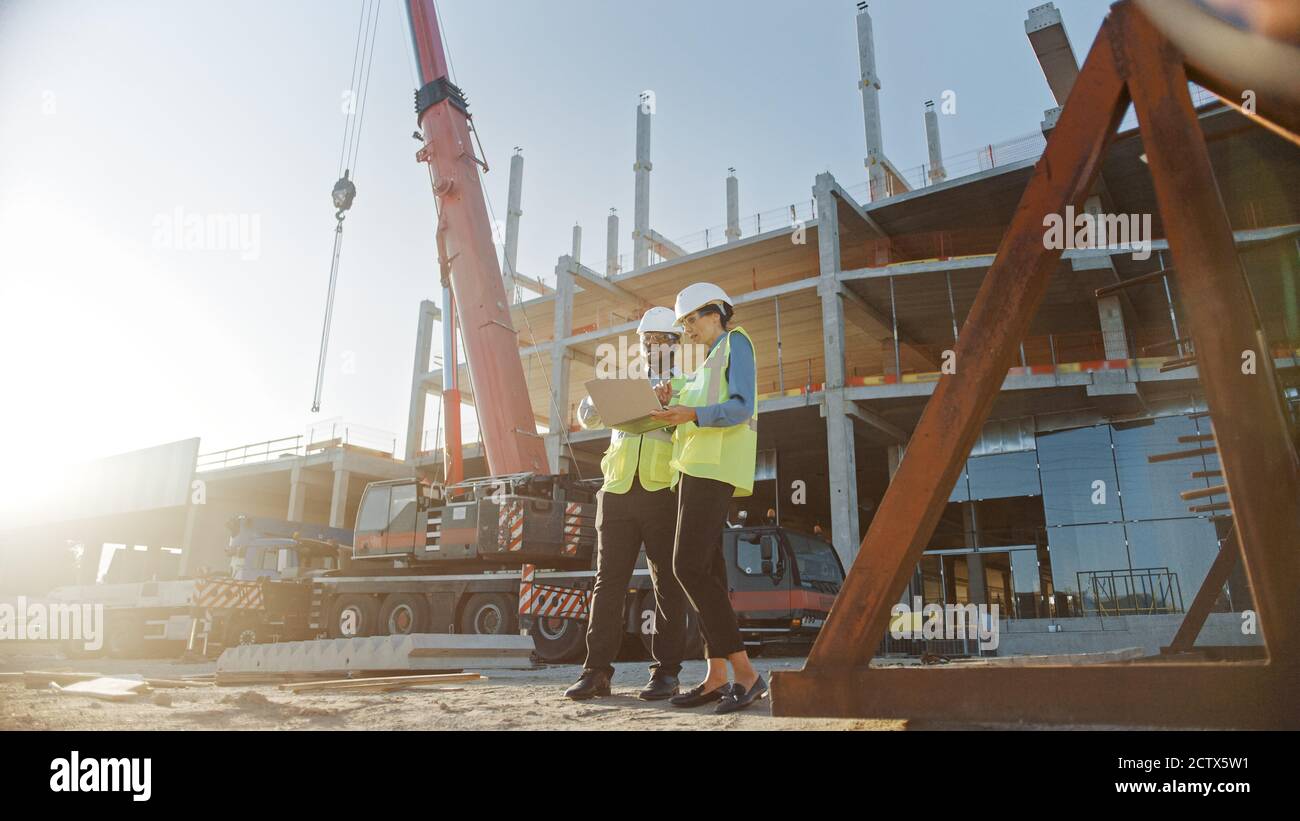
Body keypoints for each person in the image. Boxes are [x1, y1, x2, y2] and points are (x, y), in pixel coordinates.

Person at [564, 306, 693, 701]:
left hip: (661, 492)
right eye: (646, 340)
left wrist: (662, 403)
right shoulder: (624, 379)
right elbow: (586, 416)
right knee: (608, 584)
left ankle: (666, 673)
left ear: (675, 344)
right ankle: (596, 672)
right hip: (617, 491)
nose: (652, 346)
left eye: (659, 340)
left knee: (666, 585)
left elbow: (685, 424)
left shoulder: (687, 383)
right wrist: (605, 398)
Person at [649, 282, 765, 714]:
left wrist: (691, 412)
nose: (686, 329)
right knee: (709, 572)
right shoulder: (711, 360)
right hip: (694, 470)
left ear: (714, 312)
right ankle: (717, 677)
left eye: (689, 320)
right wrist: (673, 396)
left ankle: (748, 675)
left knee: (686, 566)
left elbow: (741, 406)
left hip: (714, 470)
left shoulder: (738, 343)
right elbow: (696, 393)